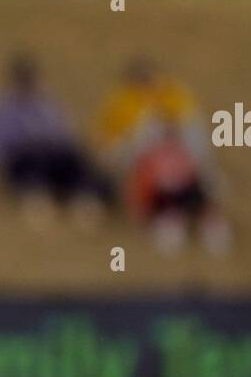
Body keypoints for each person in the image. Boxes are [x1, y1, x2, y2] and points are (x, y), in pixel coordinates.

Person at [94, 59, 231, 254]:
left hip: (179, 167)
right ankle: (170, 218)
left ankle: (204, 220)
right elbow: (111, 145)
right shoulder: (122, 104)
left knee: (198, 191)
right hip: (145, 169)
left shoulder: (173, 97)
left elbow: (194, 133)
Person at [0, 56, 113, 230]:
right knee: (33, 163)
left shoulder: (47, 104)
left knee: (76, 160)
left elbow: (64, 133)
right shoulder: (4, 109)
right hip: (24, 160)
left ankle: (85, 202)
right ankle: (38, 202)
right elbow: (0, 147)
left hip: (53, 157)